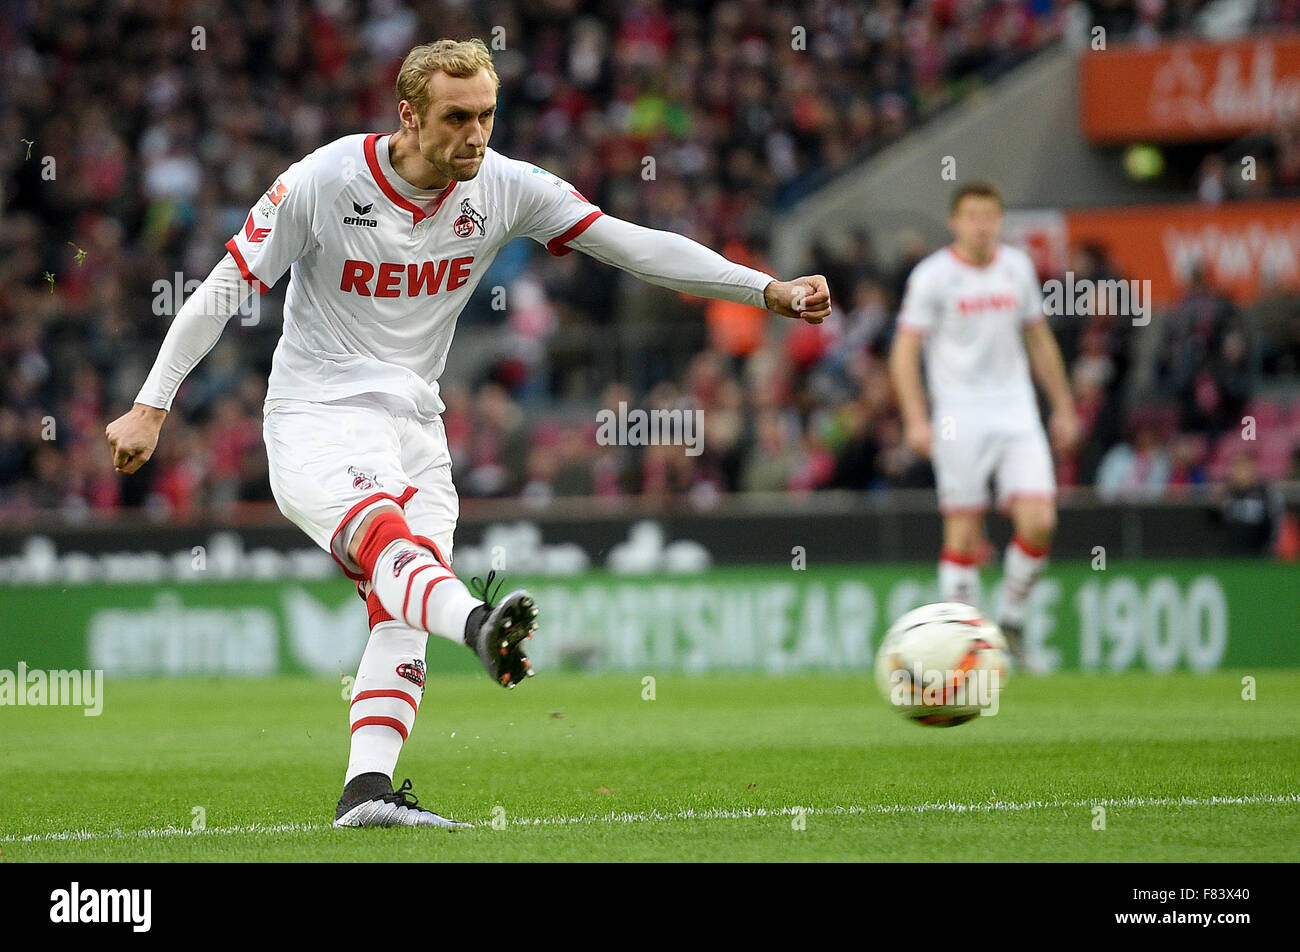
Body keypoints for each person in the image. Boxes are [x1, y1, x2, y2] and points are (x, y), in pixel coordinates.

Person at [104, 38, 831, 828]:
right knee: (397, 555)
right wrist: (152, 403)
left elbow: (633, 246)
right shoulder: (323, 181)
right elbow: (223, 290)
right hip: (318, 416)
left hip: (417, 423)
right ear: (408, 115)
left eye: (487, 115)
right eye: (457, 118)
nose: (476, 135)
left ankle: (368, 792)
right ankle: (481, 626)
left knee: (399, 606)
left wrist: (766, 289)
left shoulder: (505, 187)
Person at [888, 181, 1078, 668]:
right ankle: (966, 646)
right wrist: (916, 418)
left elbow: (1038, 340)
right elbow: (905, 351)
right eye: (972, 215)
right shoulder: (933, 276)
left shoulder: (1016, 268)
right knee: (964, 532)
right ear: (955, 222)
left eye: (989, 215)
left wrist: (1062, 406)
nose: (981, 225)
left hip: (1016, 410)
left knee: (1041, 521)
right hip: (958, 415)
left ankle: (1010, 619)